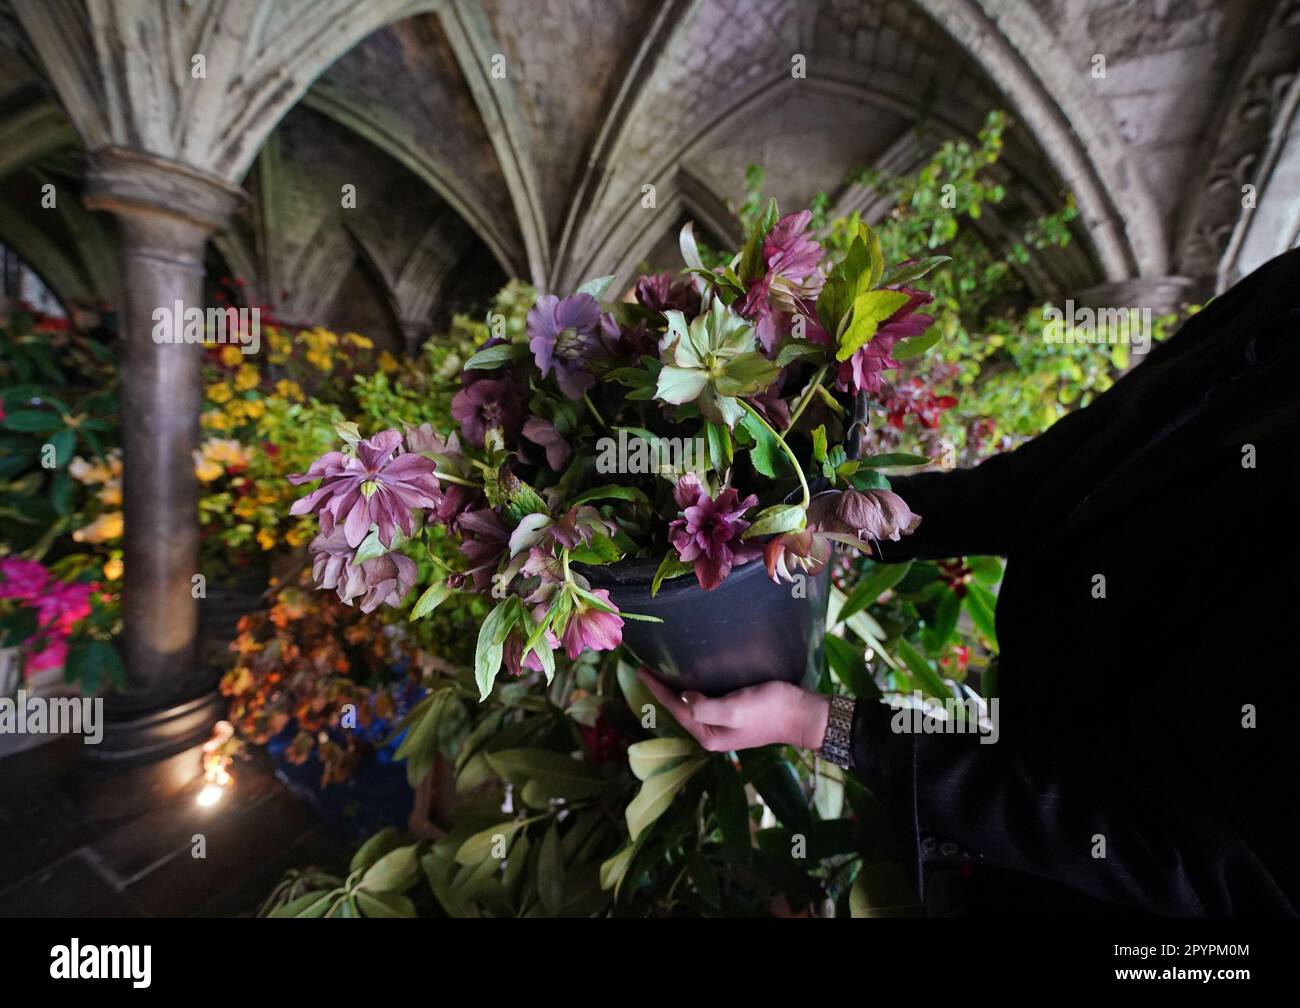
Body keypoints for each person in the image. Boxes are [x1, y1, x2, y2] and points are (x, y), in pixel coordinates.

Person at [640, 247, 1300, 917]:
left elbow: (1191, 865)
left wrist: (824, 725)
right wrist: (866, 511)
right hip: (1031, 735)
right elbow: (1083, 465)